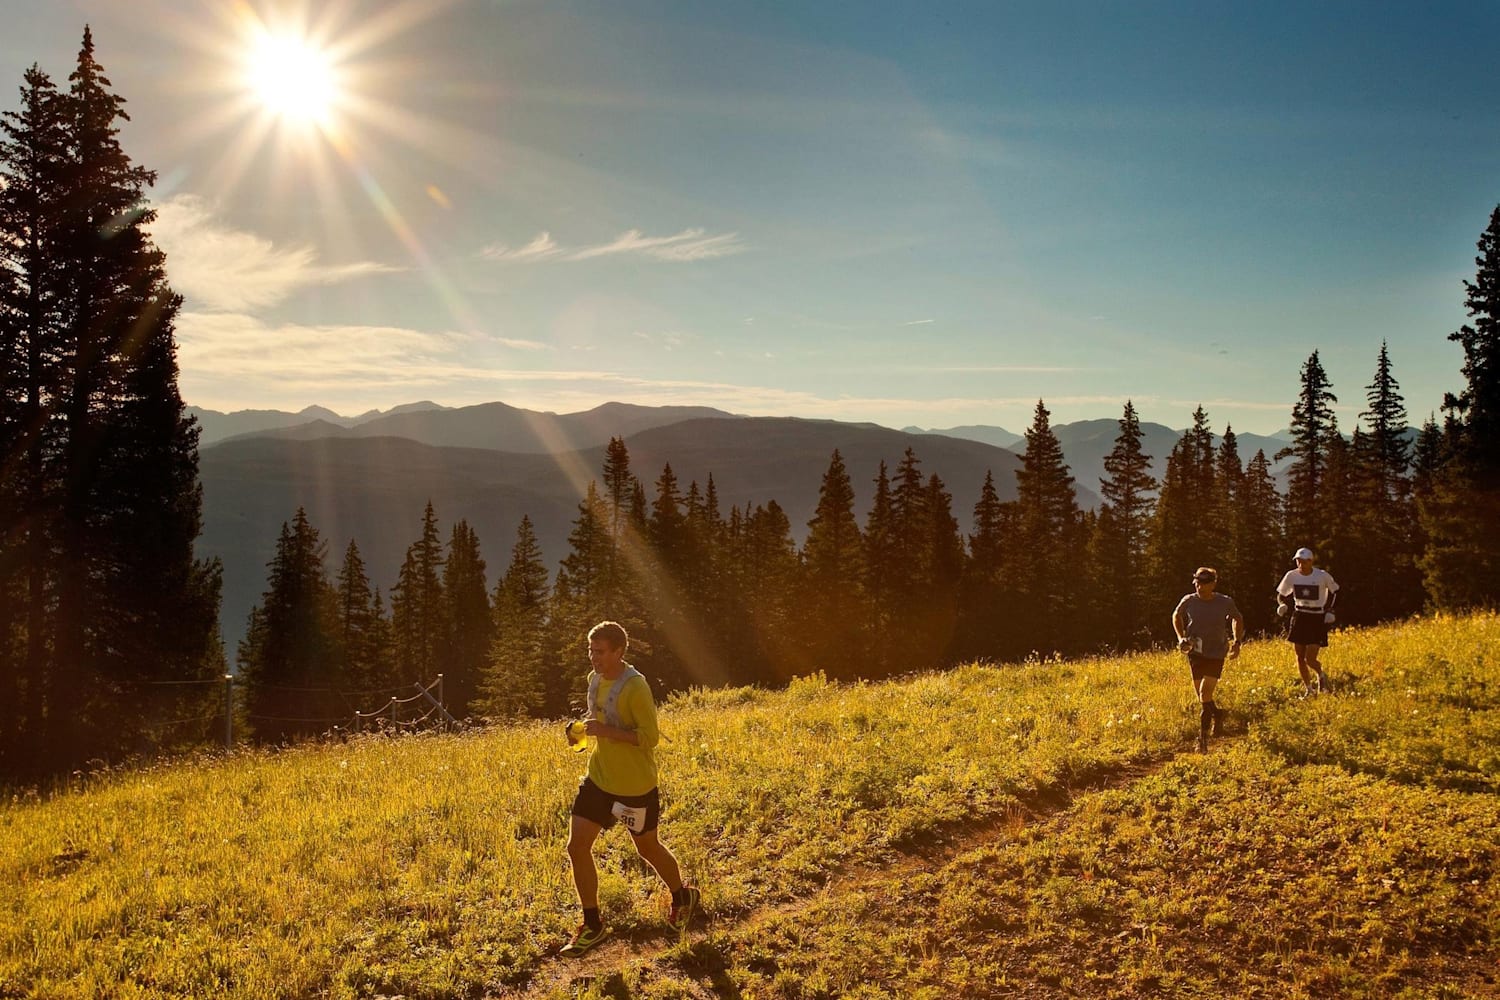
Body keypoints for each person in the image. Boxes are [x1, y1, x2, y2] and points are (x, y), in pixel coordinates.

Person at [560, 621, 700, 957]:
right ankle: (593, 925)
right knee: (576, 848)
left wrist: (604, 731)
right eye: (590, 650)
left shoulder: (636, 687)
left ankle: (682, 896)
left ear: (619, 651)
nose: (594, 658)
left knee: (647, 849)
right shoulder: (594, 680)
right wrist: (579, 730)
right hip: (599, 779)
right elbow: (600, 718)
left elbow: (648, 738)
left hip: (634, 788)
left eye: (600, 651)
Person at [1172, 567, 1245, 752]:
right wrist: (1181, 637)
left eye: (1203, 583)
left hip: (1216, 653)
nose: (1199, 586)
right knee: (1202, 698)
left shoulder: (1224, 602)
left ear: (1213, 583)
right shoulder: (1189, 600)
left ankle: (1202, 741)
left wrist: (1237, 642)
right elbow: (1176, 615)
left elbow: (1237, 618)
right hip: (1195, 651)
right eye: (1197, 582)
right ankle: (1218, 714)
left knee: (1205, 694)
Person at [1276, 547, 1340, 696]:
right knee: (1299, 656)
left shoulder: (1322, 576)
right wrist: (1282, 604)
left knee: (1310, 658)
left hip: (1317, 617)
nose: (1301, 565)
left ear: (1311, 561)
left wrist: (1330, 610)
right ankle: (1309, 689)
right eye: (1298, 561)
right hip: (1299, 615)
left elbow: (1335, 592)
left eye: (1304, 562)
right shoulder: (1291, 576)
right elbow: (1281, 593)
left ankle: (1321, 674)